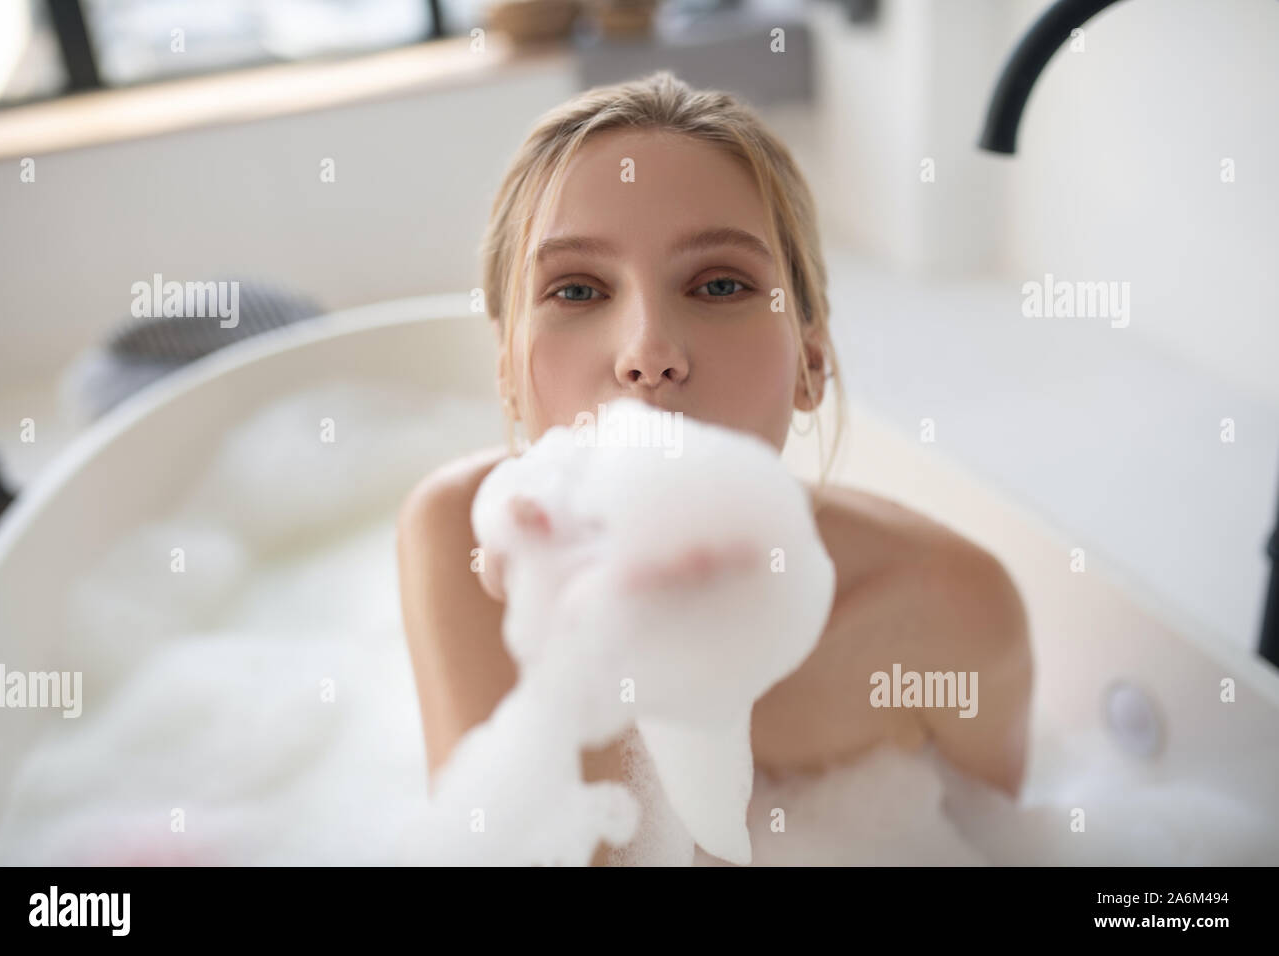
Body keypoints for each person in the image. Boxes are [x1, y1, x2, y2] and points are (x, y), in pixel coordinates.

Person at [397, 70, 1032, 865]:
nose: (647, 353)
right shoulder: (461, 536)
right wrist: (576, 660)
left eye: (721, 283)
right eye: (578, 289)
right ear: (505, 373)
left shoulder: (953, 613)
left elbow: (1006, 848)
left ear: (810, 360)